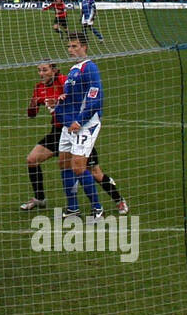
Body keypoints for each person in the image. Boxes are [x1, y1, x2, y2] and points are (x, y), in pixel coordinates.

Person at [20, 62, 127, 214]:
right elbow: (32, 114)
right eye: (39, 70)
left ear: (54, 70)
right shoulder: (39, 88)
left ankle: (118, 200)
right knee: (32, 160)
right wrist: (32, 103)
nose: (41, 73)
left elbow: (79, 98)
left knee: (94, 171)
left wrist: (59, 102)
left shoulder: (66, 81)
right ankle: (40, 198)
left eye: (45, 70)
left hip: (76, 130)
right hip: (58, 132)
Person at [53, 34, 104, 221]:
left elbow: (95, 97)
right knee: (64, 164)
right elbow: (73, 96)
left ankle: (97, 208)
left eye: (74, 46)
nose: (70, 50)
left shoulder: (89, 68)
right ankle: (73, 208)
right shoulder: (74, 69)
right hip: (70, 124)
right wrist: (61, 101)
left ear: (84, 47)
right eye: (69, 46)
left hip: (84, 125)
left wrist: (80, 121)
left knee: (78, 166)